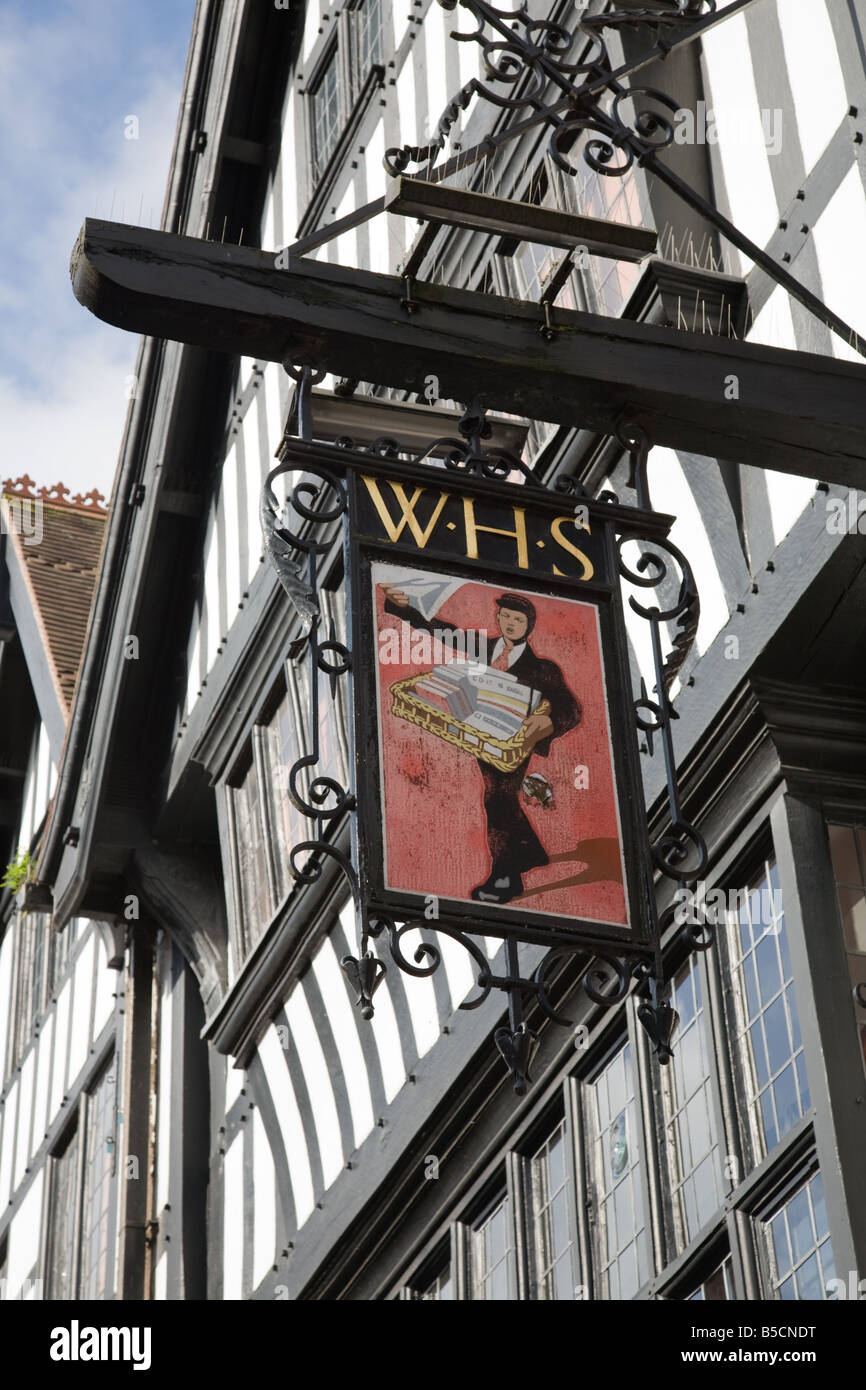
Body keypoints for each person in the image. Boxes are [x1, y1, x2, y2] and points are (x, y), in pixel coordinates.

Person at [382, 584, 581, 904]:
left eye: (518, 620)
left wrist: (547, 724)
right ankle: (530, 851)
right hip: (479, 735)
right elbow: (442, 631)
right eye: (505, 617)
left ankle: (506, 876)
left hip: (514, 741)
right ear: (499, 618)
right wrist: (402, 609)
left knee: (497, 797)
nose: (510, 624)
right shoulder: (484, 647)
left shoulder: (543, 669)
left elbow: (570, 708)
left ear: (528, 625)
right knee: (500, 795)